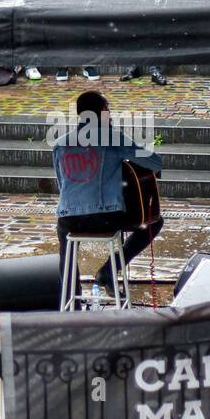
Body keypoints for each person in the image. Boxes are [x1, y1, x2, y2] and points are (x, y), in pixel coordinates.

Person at [53, 90, 164, 297]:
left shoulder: (60, 143)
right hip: (104, 216)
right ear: (103, 111)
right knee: (154, 222)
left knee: (65, 246)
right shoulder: (112, 137)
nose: (110, 114)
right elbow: (155, 161)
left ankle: (70, 303)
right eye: (108, 109)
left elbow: (62, 183)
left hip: (68, 217)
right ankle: (109, 270)